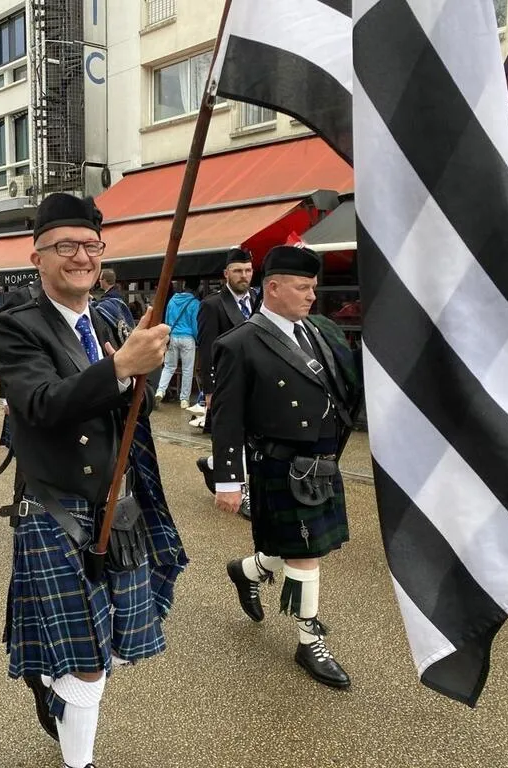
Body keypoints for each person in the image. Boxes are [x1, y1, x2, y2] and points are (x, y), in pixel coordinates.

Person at [0, 193, 187, 768]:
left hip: (118, 506)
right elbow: (41, 404)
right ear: (38, 257)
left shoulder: (108, 320)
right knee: (88, 663)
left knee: (113, 646)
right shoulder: (17, 327)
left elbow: (128, 413)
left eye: (91, 246)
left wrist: (134, 374)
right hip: (57, 508)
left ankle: (54, 684)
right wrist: (120, 367)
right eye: (65, 247)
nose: (81, 257)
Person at [210, 245, 360, 690]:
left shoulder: (318, 330)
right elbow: (226, 418)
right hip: (280, 464)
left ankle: (248, 570)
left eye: (313, 287)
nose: (312, 295)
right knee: (305, 552)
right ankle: (308, 640)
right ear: (273, 288)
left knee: (300, 544)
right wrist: (229, 480)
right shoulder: (239, 343)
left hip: (323, 459)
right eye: (302, 287)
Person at [193, 247, 260, 519]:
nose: (243, 275)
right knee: (237, 436)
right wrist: (209, 389)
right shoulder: (212, 305)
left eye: (248, 270)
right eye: (237, 271)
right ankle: (242, 492)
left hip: (257, 381)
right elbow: (206, 348)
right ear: (226, 274)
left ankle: (212, 464)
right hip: (227, 383)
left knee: (254, 436)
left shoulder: (259, 300)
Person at [154, 278, 200, 409]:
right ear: (196, 289)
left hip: (173, 336)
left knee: (169, 366)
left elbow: (167, 320)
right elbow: (195, 325)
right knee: (187, 369)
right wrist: (198, 339)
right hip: (188, 338)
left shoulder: (172, 300)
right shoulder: (195, 303)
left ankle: (160, 390)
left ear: (184, 286)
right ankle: (184, 399)